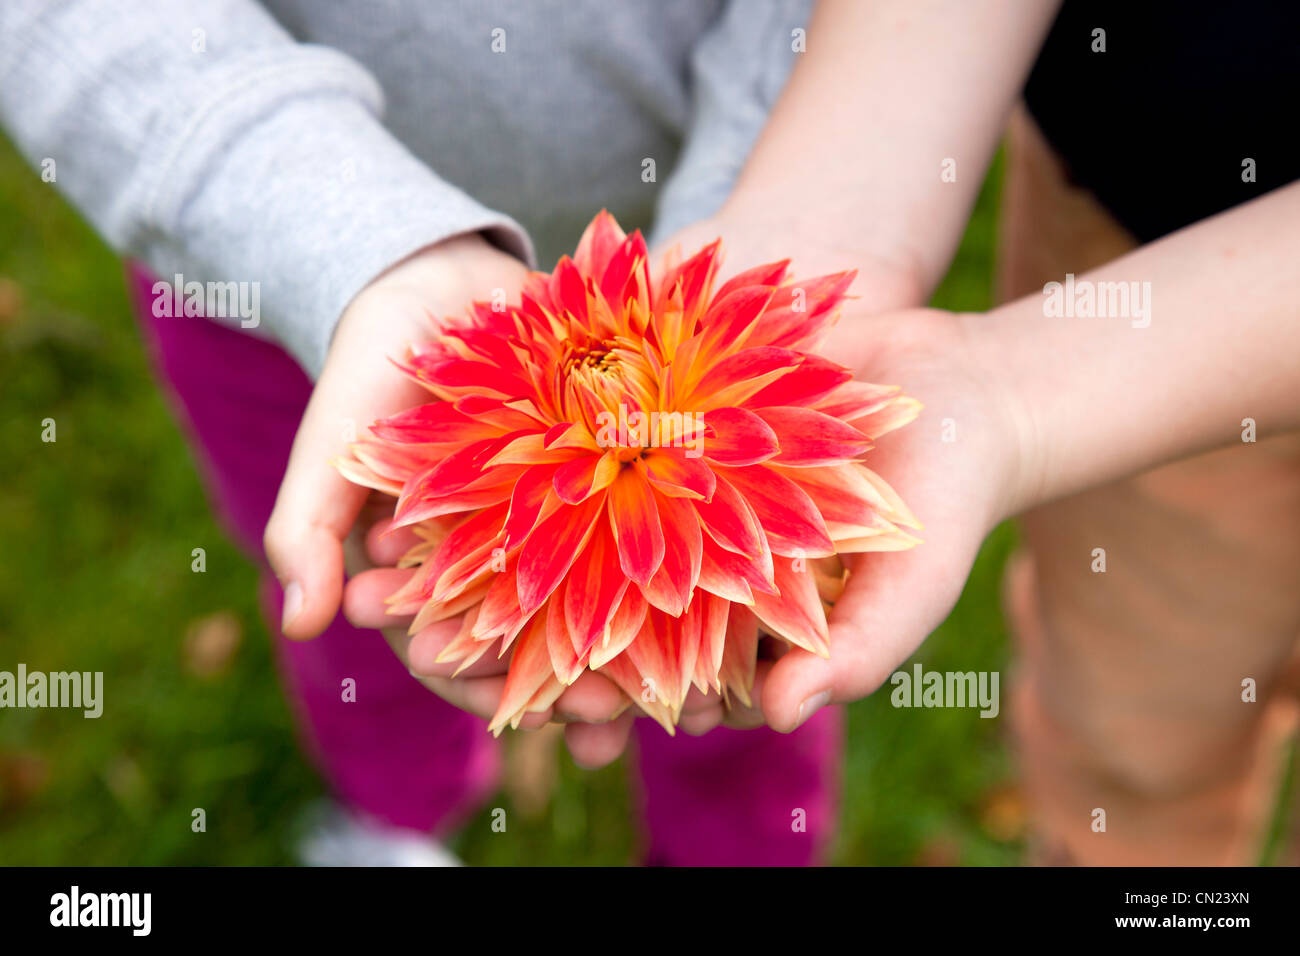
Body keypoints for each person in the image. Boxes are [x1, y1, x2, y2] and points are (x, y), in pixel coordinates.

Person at [2, 0, 844, 866]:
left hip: (705, 223)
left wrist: (746, 206)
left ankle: (736, 843)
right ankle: (397, 812)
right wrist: (345, 237)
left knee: (746, 651)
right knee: (344, 576)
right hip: (266, 251)